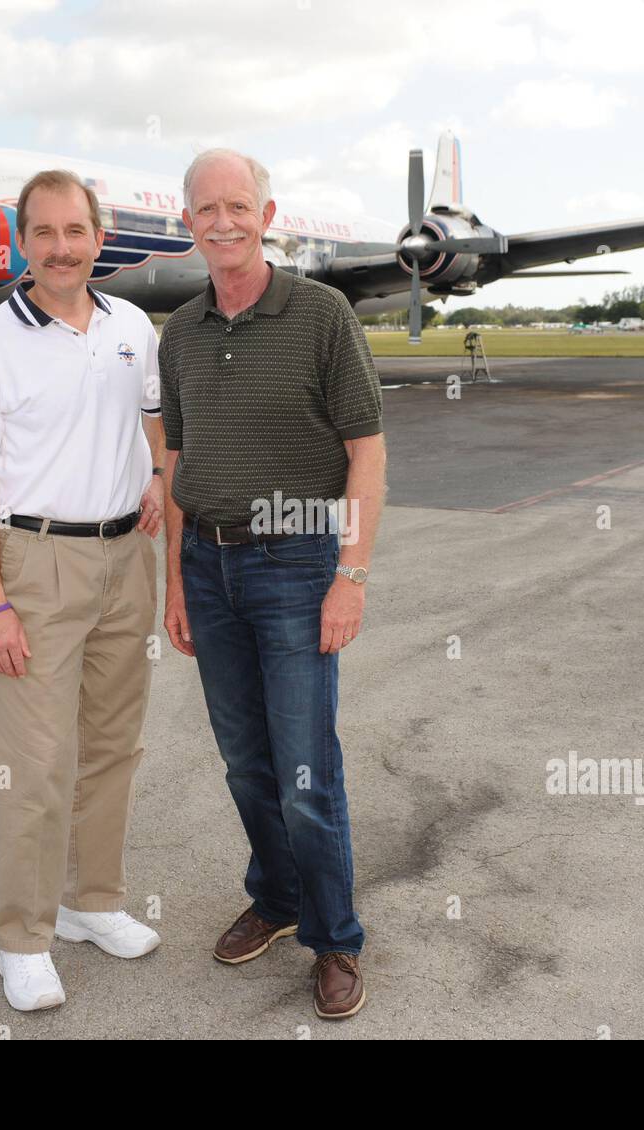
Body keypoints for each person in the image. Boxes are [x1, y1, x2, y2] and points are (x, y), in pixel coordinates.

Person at [159, 149, 386, 1020]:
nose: (223, 221)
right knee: (246, 762)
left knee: (302, 768)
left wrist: (351, 576)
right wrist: (174, 584)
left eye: (238, 206)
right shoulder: (179, 333)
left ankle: (337, 939)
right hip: (208, 568)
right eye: (207, 209)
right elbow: (176, 463)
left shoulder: (322, 314)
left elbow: (366, 454)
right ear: (190, 223)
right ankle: (280, 899)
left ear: (267, 213)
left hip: (298, 563)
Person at [0, 169, 167, 1012]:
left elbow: (152, 423)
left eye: (77, 231)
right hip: (34, 564)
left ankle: (90, 903)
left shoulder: (133, 327)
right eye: (45, 233)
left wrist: (155, 477)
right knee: (33, 765)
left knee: (113, 747)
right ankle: (24, 937)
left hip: (125, 556)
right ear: (22, 244)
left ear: (98, 238)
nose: (62, 248)